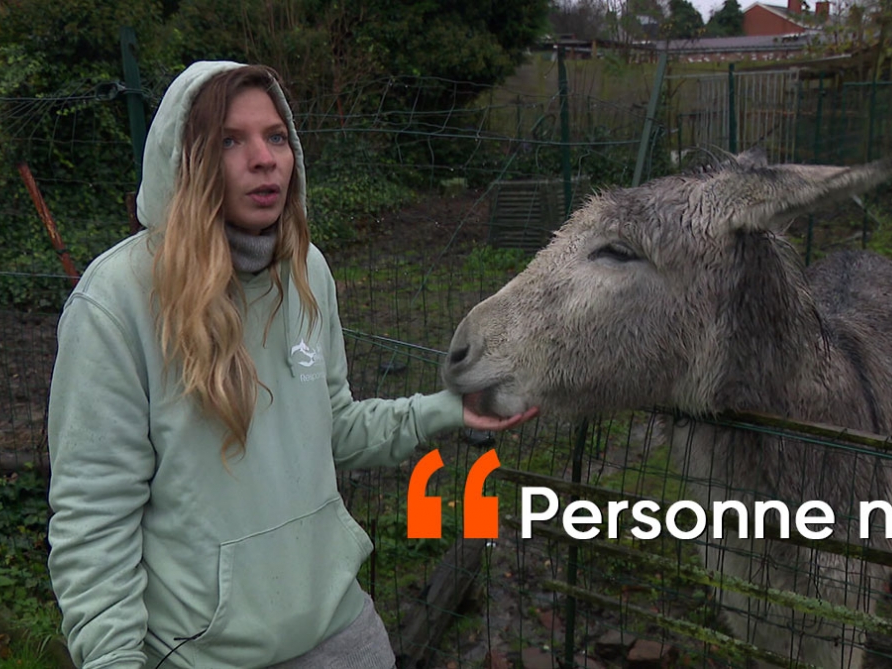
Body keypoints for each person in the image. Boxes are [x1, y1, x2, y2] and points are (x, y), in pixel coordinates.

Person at [46, 60, 537, 669]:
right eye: (231, 140)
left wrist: (444, 408)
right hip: (206, 653)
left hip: (339, 629)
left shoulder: (307, 271)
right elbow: (93, 522)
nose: (264, 158)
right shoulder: (117, 302)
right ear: (185, 159)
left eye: (275, 136)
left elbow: (332, 431)